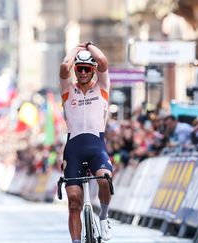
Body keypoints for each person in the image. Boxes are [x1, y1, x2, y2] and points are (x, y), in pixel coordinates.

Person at [59, 42, 113, 243]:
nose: (82, 73)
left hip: (96, 147)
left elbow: (103, 61)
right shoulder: (68, 90)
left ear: (93, 70)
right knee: (74, 202)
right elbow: (65, 66)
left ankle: (104, 216)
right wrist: (76, 48)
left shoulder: (102, 88)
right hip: (73, 149)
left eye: (87, 69)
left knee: (105, 180)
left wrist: (89, 46)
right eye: (79, 69)